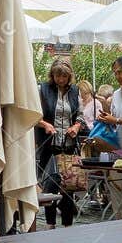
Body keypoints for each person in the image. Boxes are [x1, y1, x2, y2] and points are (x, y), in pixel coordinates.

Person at [36, 58, 84, 227]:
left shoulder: (75, 91)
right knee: (50, 186)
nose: (60, 80)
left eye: (63, 76)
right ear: (52, 75)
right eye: (57, 76)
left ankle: (68, 225)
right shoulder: (43, 90)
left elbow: (80, 115)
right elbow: (34, 115)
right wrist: (45, 124)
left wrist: (76, 126)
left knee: (68, 187)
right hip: (49, 146)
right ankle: (50, 224)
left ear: (69, 76)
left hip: (68, 147)